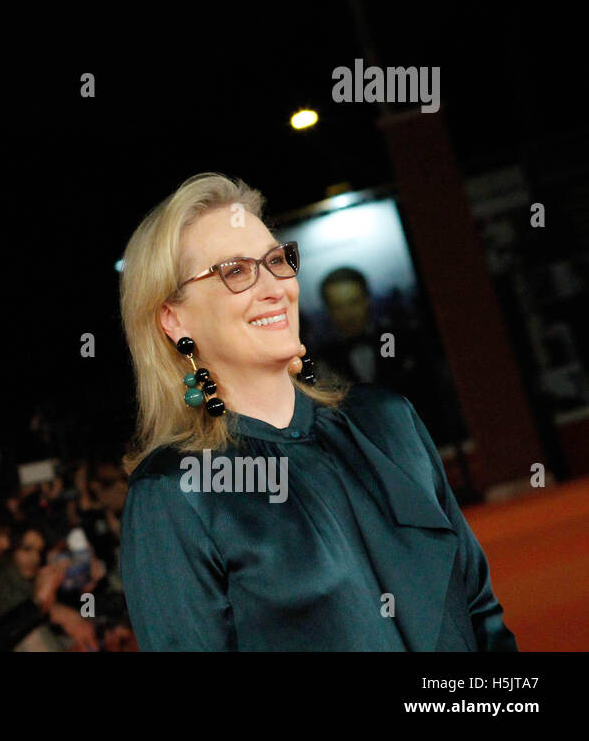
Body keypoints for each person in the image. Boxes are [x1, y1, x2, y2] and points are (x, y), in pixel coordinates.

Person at [117, 172, 518, 652]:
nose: (273, 288)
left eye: (274, 261)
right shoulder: (176, 491)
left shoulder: (388, 420)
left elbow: (479, 610)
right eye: (236, 271)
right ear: (173, 318)